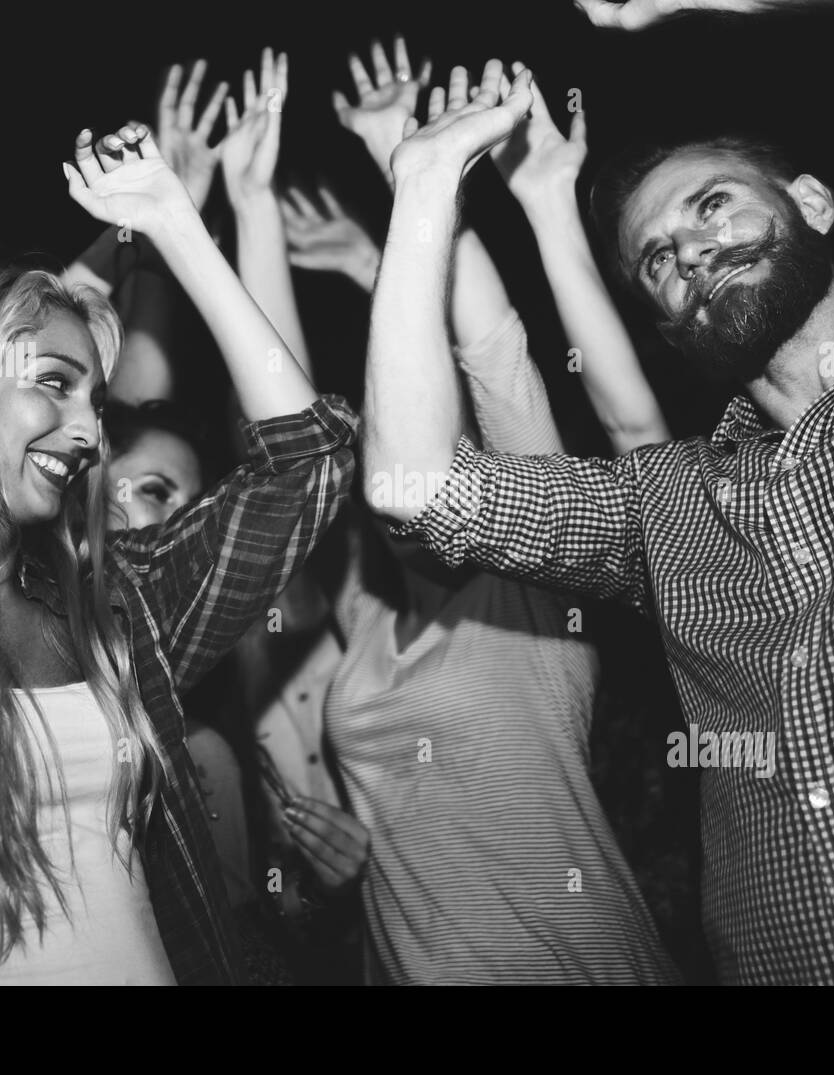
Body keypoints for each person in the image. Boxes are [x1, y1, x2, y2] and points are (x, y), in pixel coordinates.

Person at [365, 0, 834, 985]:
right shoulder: (666, 505)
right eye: (655, 258)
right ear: (661, 323)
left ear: (814, 203)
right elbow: (415, 486)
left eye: (712, 205)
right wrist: (425, 182)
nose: (688, 251)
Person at [0, 120, 355, 985]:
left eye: (95, 400)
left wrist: (176, 227)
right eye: (53, 384)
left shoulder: (117, 605)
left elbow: (307, 467)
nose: (89, 432)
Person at [312, 45, 679, 984]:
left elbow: (497, 353)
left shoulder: (531, 595)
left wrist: (417, 171)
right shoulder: (360, 620)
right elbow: (286, 440)